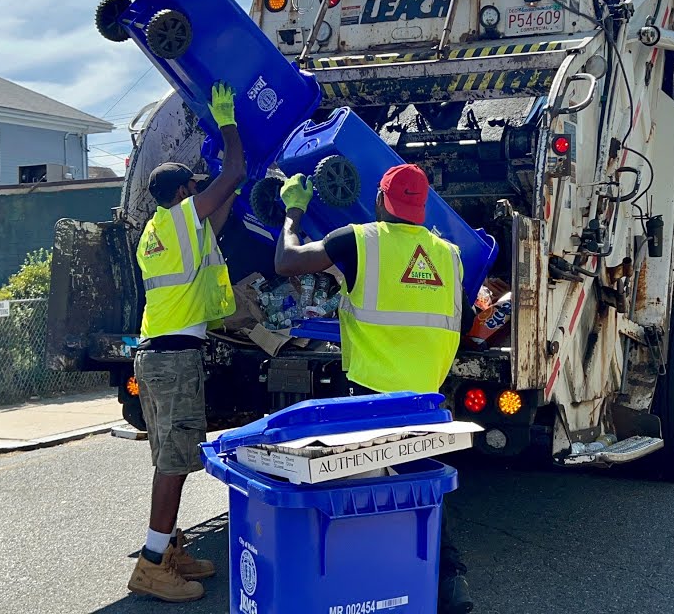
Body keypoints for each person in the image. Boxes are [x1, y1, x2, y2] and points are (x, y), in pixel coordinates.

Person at [273, 163, 475, 614]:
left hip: (371, 397)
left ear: (382, 200)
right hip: (424, 396)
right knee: (420, 486)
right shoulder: (449, 255)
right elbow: (462, 320)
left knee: (365, 490)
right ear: (422, 207)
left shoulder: (359, 240)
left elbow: (286, 261)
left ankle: (367, 584)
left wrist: (293, 211)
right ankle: (448, 581)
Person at [127, 84, 244, 603]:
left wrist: (230, 184)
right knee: (174, 465)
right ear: (182, 195)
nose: (200, 192)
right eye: (195, 188)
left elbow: (219, 212)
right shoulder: (179, 219)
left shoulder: (157, 231)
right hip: (173, 359)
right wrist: (228, 126)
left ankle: (170, 547)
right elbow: (232, 174)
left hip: (156, 353)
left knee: (169, 459)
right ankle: (152, 565)